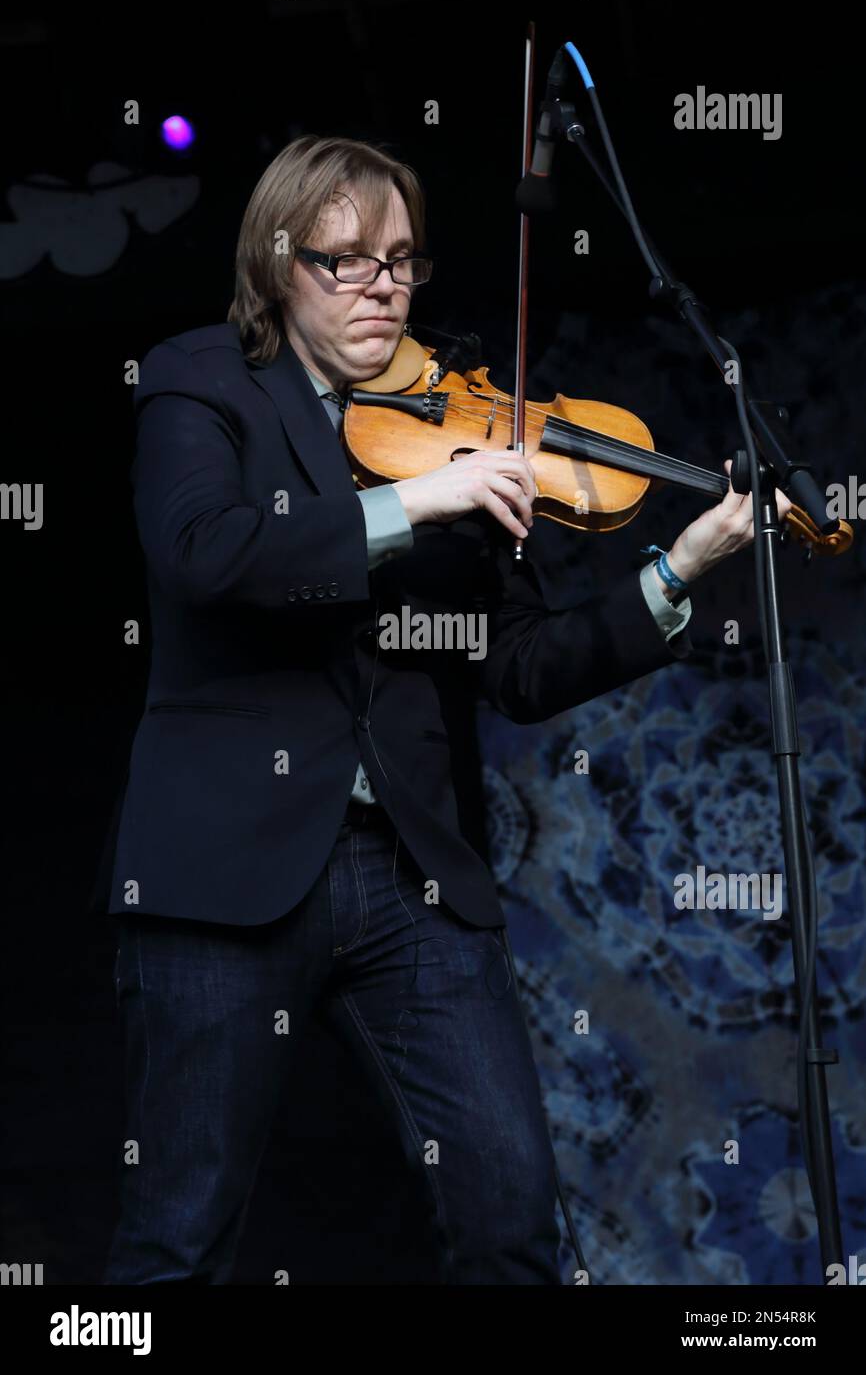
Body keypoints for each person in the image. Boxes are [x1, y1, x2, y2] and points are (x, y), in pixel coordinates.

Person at [101, 135, 791, 1285]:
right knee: (177, 1237)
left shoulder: (454, 417)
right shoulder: (198, 378)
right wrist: (422, 499)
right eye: (347, 261)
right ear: (277, 264)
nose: (383, 288)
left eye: (403, 262)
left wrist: (671, 571)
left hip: (406, 872)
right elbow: (201, 553)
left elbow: (517, 668)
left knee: (508, 1216)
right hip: (222, 871)